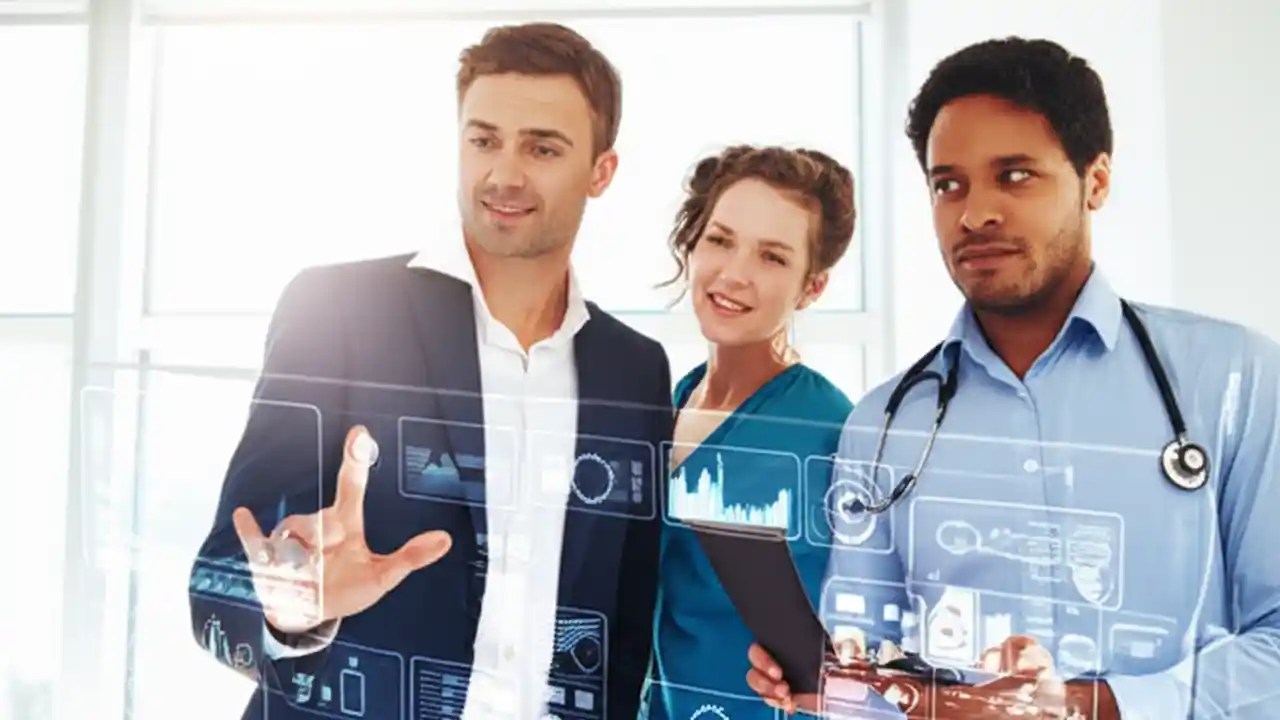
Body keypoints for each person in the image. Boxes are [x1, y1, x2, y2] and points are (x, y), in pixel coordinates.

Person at [744, 36, 1280, 719]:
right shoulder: (883, 426)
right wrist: (831, 687)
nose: (975, 213)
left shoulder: (1234, 381)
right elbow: (872, 673)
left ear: (1097, 180)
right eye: (949, 184)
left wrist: (1086, 705)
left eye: (1016, 175)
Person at [187, 22, 674, 720]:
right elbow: (220, 583)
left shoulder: (633, 370)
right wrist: (293, 613)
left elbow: (625, 613)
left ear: (601, 171)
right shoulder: (340, 310)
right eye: (484, 140)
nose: (504, 173)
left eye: (542, 147)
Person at [643, 145, 856, 719]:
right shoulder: (669, 402)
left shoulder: (831, 434)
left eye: (773, 257)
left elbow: (857, 654)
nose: (734, 273)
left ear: (812, 287)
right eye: (720, 239)